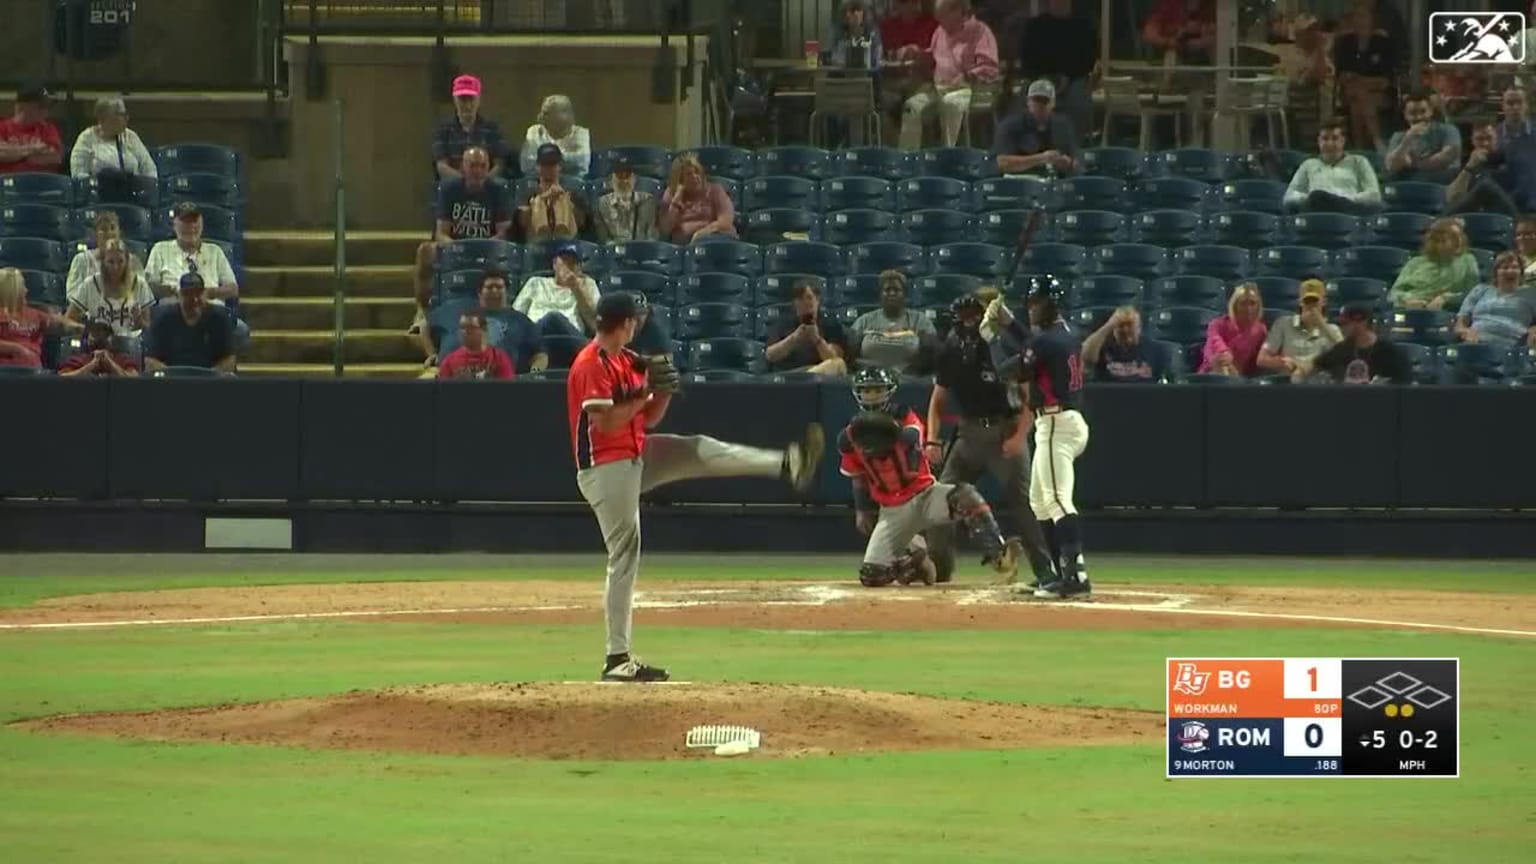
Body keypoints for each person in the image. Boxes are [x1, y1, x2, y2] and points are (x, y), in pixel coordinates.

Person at [568, 292, 825, 682]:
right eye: (634, 319)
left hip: (634, 456)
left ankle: (787, 464)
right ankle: (617, 658)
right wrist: (643, 395)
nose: (637, 324)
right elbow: (605, 423)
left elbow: (649, 419)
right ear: (626, 323)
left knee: (698, 449)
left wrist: (662, 393)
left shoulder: (627, 360)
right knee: (624, 553)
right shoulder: (591, 363)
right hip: (604, 469)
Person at [842, 365, 1017, 588]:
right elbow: (856, 476)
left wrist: (884, 429)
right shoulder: (850, 435)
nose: (871, 395)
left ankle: (998, 552)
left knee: (965, 495)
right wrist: (861, 510)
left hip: (925, 494)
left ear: (889, 390)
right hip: (892, 510)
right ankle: (917, 561)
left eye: (877, 389)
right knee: (872, 576)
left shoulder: (904, 415)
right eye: (867, 391)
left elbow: (912, 436)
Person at [923, 294, 1056, 587]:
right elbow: (937, 401)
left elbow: (1029, 398)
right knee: (940, 499)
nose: (969, 322)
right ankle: (940, 567)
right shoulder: (950, 351)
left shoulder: (1004, 346)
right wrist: (932, 439)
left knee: (1025, 503)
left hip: (1005, 431)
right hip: (969, 434)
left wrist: (1020, 436)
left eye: (974, 315)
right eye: (964, 316)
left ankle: (1046, 571)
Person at [1000, 275, 1090, 600]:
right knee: (1040, 503)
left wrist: (990, 335)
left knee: (1056, 500)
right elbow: (1034, 348)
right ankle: (1056, 575)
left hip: (1056, 424)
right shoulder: (1064, 335)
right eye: (1030, 302)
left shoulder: (1045, 341)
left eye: (1038, 302)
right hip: (1060, 422)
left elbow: (1013, 368)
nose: (1032, 308)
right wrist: (1008, 324)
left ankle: (1076, 576)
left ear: (1052, 304)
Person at [409, 146, 512, 335]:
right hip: (454, 248)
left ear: (488, 167)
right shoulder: (449, 188)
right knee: (425, 251)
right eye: (473, 165)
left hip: (487, 250)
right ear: (463, 167)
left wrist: (481, 247)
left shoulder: (498, 189)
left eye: (482, 166)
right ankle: (422, 312)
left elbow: (503, 232)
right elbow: (441, 232)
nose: (478, 171)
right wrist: (457, 248)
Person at [898, 0, 1000, 150]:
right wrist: (918, 53)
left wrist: (966, 76)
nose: (939, 21)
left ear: (958, 11)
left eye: (942, 16)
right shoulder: (940, 31)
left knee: (950, 104)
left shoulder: (980, 32)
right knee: (912, 107)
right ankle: (907, 158)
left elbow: (990, 67)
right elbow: (933, 56)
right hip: (937, 87)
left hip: (966, 89)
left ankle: (948, 155)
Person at [421, 270, 547, 374]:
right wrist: (431, 354)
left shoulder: (520, 320)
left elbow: (541, 354)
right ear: (479, 292)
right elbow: (424, 325)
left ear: (507, 292)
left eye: (499, 287)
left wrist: (535, 371)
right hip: (450, 375)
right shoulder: (455, 309)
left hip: (500, 381)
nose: (495, 291)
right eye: (489, 287)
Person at [1003, 0, 1095, 142]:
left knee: (1078, 99)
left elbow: (1088, 61)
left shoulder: (1084, 25)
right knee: (1021, 99)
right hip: (1040, 78)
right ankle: (1018, 144)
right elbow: (1027, 61)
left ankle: (1073, 145)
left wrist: (1066, 77)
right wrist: (1045, 78)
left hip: (1073, 79)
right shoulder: (1035, 26)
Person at [1332, 2, 1396, 153]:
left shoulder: (1383, 43)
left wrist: (1360, 80)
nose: (1360, 21)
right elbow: (1341, 75)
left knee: (1357, 104)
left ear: (1372, 20)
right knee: (1358, 94)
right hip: (1350, 92)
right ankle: (1377, 140)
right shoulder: (1345, 43)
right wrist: (1360, 81)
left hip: (1378, 92)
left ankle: (1359, 149)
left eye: (1364, 17)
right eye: (1357, 17)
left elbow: (1386, 79)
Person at [848, 269, 938, 375]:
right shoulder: (864, 321)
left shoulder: (919, 320)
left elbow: (930, 352)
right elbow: (851, 355)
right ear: (880, 295)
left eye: (896, 290)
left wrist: (910, 371)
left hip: (910, 379)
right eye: (887, 290)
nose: (892, 293)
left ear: (904, 295)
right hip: (870, 379)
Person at [1282, 120, 1382, 213]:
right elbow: (1289, 196)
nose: (1330, 143)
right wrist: (1308, 198)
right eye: (1325, 139)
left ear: (1343, 141)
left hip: (1349, 212)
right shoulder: (1308, 165)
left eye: (1335, 138)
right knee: (1316, 197)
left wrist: (1345, 198)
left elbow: (1374, 195)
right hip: (1316, 212)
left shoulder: (1359, 162)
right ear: (1319, 141)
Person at [1296, 302, 1409, 384]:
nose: (1341, 328)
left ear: (1361, 323)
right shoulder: (1342, 349)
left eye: (1345, 324)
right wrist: (1298, 371)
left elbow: (1404, 384)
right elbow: (1315, 365)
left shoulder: (1390, 352)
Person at [68, 96, 156, 202]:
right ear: (104, 117)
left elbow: (149, 169)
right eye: (122, 114)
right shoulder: (87, 138)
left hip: (133, 198)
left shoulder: (131, 136)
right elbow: (78, 175)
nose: (127, 118)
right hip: (100, 199)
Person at [144, 273, 235, 374]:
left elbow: (229, 360)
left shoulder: (219, 317)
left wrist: (211, 377)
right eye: (188, 294)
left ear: (205, 293)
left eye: (198, 294)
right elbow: (150, 361)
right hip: (172, 381)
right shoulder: (163, 318)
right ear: (179, 295)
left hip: (209, 382)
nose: (195, 300)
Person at [64, 239, 153, 340]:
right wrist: (87, 329)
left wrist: (138, 319)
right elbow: (68, 320)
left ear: (127, 260)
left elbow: (147, 327)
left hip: (129, 346)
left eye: (120, 261)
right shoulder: (90, 284)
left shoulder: (140, 284)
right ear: (103, 262)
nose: (116, 267)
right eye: (111, 262)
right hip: (98, 346)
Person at [513, 242, 600, 339]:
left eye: (573, 263)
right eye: (564, 261)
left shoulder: (587, 284)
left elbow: (595, 324)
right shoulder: (535, 283)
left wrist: (577, 289)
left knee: (554, 318)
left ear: (579, 267)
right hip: (537, 337)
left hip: (570, 338)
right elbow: (516, 316)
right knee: (550, 319)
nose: (568, 267)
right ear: (554, 264)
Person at [1389, 217, 1479, 311]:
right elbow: (1394, 293)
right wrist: (1407, 299)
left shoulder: (1467, 261)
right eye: (1436, 241)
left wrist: (1446, 298)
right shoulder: (1415, 262)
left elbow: (1472, 294)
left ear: (1457, 241)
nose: (1439, 245)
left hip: (1444, 312)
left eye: (1444, 241)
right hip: (1410, 308)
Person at [1256, 279, 1343, 376]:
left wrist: (1322, 325)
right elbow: (1261, 359)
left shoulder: (1332, 330)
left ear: (1324, 302)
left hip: (1318, 384)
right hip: (1288, 382)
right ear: (1300, 302)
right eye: (1307, 301)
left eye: (1315, 302)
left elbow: (1346, 356)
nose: (1311, 306)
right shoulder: (1283, 324)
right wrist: (1282, 362)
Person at [432, 74, 511, 180]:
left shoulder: (492, 129)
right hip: (454, 187)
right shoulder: (443, 129)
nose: (468, 105)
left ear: (479, 100)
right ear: (455, 100)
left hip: (487, 186)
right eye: (463, 100)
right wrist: (465, 182)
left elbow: (499, 165)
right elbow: (441, 166)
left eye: (471, 99)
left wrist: (482, 182)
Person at [992, 79, 1077, 177]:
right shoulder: (1010, 124)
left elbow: (1075, 159)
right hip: (1018, 181)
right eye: (1035, 100)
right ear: (1028, 102)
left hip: (1053, 180)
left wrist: (1067, 163)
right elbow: (1002, 163)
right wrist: (1041, 158)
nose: (1039, 105)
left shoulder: (1062, 125)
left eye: (1044, 101)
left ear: (1053, 103)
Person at [763, 278, 847, 376]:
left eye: (809, 298)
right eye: (800, 299)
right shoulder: (784, 323)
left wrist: (817, 340)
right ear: (795, 303)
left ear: (817, 300)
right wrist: (794, 338)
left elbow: (834, 360)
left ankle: (807, 377)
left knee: (838, 364)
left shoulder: (830, 325)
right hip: (789, 376)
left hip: (818, 376)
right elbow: (770, 355)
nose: (806, 303)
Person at [1455, 251, 1536, 349]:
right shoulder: (1480, 290)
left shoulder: (1531, 294)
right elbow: (1460, 324)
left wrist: (1533, 331)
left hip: (1512, 345)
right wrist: (1466, 332)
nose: (1510, 271)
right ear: (1496, 272)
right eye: (1505, 268)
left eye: (1515, 267)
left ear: (1521, 272)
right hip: (1475, 342)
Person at [1445, 123, 1528, 217]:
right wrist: (1469, 167)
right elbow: (1452, 199)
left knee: (1485, 186)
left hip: (1509, 216)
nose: (1485, 143)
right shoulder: (1466, 165)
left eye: (1489, 138)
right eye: (1479, 139)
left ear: (1497, 139)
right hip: (1473, 217)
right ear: (1472, 140)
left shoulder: (1509, 160)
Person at [1384, 92, 1462, 185]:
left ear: (1431, 112)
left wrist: (1412, 164)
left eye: (1423, 111)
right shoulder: (1399, 135)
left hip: (1443, 177)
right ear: (1405, 115)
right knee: (1390, 179)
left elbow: (1446, 158)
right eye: (1412, 113)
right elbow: (1391, 166)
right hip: (1411, 178)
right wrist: (1406, 141)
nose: (1419, 117)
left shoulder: (1448, 130)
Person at [658, 153, 737, 244]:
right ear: (680, 180)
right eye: (689, 174)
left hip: (716, 240)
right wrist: (676, 200)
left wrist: (701, 234)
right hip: (684, 246)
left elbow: (725, 221)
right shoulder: (671, 193)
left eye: (697, 172)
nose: (695, 177)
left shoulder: (715, 190)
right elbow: (665, 229)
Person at [518, 143, 587, 243]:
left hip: (568, 244)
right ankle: (542, 232)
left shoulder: (573, 188)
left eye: (552, 164)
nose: (548, 169)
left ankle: (562, 232)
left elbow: (582, 223)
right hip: (536, 242)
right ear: (537, 166)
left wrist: (568, 203)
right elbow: (521, 222)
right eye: (545, 164)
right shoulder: (527, 189)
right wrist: (542, 198)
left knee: (563, 199)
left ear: (560, 166)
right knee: (537, 201)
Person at [1080, 306, 1168, 382]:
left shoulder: (1155, 349)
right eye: (1121, 325)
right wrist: (1108, 326)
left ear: (1139, 328)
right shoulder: (1103, 347)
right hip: (1108, 397)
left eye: (1129, 325)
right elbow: (1084, 356)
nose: (1125, 330)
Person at [1199, 283, 1268, 377]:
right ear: (1235, 305)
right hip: (1211, 373)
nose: (1248, 309)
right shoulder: (1217, 325)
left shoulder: (1261, 330)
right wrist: (1225, 355)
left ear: (1258, 306)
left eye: (1252, 303)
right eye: (1243, 303)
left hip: (1241, 380)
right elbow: (1216, 345)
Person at [519, 95, 591, 178]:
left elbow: (581, 164)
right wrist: (564, 154)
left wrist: (545, 160)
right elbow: (527, 165)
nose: (540, 116)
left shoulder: (581, 133)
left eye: (547, 113)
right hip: (538, 182)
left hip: (571, 183)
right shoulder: (534, 131)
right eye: (543, 112)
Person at [592, 156, 660, 243]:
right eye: (619, 175)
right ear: (611, 180)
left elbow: (652, 237)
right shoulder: (601, 204)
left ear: (634, 179)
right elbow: (603, 240)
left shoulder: (647, 201)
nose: (624, 181)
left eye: (627, 175)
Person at [0, 84, 62, 175]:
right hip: (7, 184)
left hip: (41, 184)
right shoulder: (2, 127)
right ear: (22, 105)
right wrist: (34, 149)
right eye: (41, 106)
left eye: (49, 107)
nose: (46, 111)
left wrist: (14, 155)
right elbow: (2, 154)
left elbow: (55, 158)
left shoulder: (48, 129)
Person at [437, 309, 515, 380]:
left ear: (483, 329)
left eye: (470, 327)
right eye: (462, 327)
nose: (464, 332)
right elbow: (442, 391)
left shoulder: (499, 358)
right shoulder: (449, 361)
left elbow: (508, 389)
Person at [1140, 0, 1215, 65]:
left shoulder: (1218, 6)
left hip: (1211, 60)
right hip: (1175, 56)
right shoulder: (1169, 4)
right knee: (1171, 54)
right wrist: (1171, 42)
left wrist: (1207, 40)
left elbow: (1221, 37)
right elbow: (1148, 34)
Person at [0, 267, 46, 368]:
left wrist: (78, 327)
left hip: (34, 374)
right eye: (22, 286)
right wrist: (16, 349)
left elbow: (57, 323)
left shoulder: (33, 314)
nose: (26, 290)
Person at [58, 319, 137, 377]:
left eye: (104, 333)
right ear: (88, 340)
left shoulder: (122, 360)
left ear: (111, 340)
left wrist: (111, 364)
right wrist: (91, 366)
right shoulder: (77, 360)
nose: (100, 336)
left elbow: (135, 379)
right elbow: (62, 379)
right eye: (95, 333)